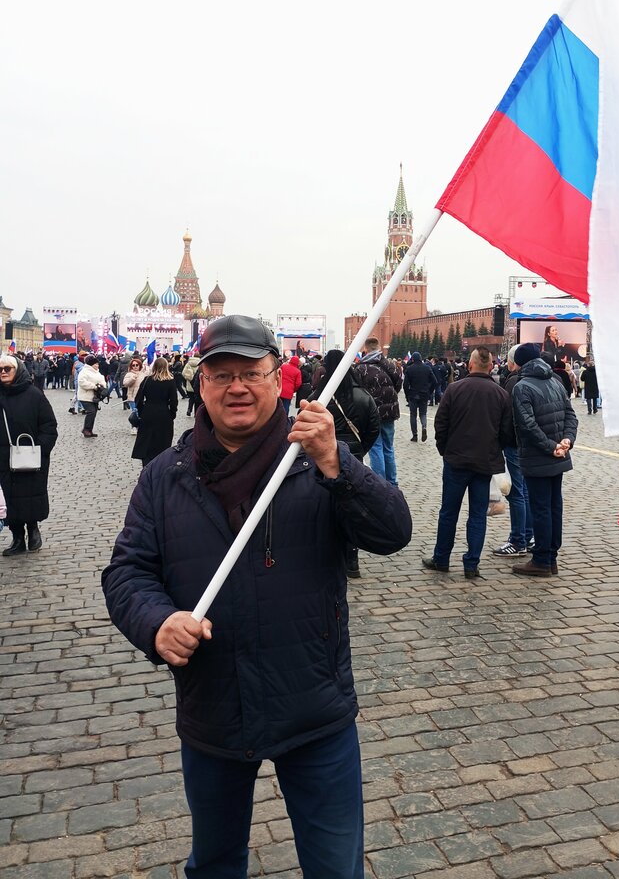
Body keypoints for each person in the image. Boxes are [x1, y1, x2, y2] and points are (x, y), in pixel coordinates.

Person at [101, 314, 411, 879]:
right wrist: (156, 622)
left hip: (314, 708)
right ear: (202, 385)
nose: (237, 387)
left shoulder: (314, 462)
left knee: (336, 867)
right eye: (221, 375)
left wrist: (338, 466)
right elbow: (127, 573)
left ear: (278, 380)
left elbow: (392, 533)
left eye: (251, 372)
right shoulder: (165, 477)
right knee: (215, 864)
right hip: (215, 710)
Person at [423, 346, 514, 579]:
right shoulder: (501, 394)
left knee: (448, 512)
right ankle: (471, 563)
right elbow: (507, 433)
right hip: (484, 463)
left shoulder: (454, 390)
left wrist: (444, 450)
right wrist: (495, 450)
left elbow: (440, 425)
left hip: (456, 460)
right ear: (491, 366)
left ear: (471, 365)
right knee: (477, 514)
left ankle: (441, 558)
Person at [510, 342, 578, 578]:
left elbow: (527, 425)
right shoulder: (556, 381)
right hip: (557, 455)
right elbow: (571, 415)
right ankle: (551, 558)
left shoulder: (522, 387)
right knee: (553, 506)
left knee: (540, 509)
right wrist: (567, 440)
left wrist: (551, 448)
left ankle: (541, 559)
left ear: (519, 363)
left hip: (538, 457)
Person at [311, 349, 381, 579]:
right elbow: (373, 428)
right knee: (350, 507)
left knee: (322, 508)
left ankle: (325, 556)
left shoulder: (318, 397)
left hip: (322, 461)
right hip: (353, 458)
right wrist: (359, 451)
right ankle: (352, 561)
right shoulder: (363, 395)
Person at [0, 353, 58, 555]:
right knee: (8, 498)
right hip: (3, 459)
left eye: (8, 368)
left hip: (31, 458)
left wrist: (40, 449)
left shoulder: (34, 395)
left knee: (30, 496)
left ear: (18, 370)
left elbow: (49, 425)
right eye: (0, 369)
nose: (4, 372)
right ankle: (17, 538)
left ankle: (33, 529)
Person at [493, 345, 535, 558]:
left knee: (517, 493)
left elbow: (507, 416)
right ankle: (529, 535)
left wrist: (500, 441)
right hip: (536, 447)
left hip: (515, 445)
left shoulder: (514, 381)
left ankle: (518, 540)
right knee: (528, 491)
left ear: (513, 362)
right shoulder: (547, 379)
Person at [354, 336, 402, 486]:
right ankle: (392, 482)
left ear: (365, 349)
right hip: (390, 411)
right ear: (379, 347)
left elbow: (358, 391)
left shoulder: (361, 368)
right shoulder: (391, 365)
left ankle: (380, 483)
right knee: (388, 447)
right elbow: (398, 384)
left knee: (376, 447)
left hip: (372, 412)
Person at [131, 357, 178, 467]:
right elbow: (174, 401)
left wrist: (142, 411)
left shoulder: (147, 380)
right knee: (163, 441)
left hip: (148, 412)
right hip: (164, 413)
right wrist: (172, 414)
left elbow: (138, 398)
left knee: (147, 441)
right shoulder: (170, 381)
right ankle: (160, 466)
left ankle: (147, 465)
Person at [402, 352, 434, 442]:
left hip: (413, 395)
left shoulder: (409, 369)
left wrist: (407, 395)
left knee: (413, 415)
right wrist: (429, 392)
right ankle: (424, 426)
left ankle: (415, 435)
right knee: (423, 414)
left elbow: (405, 385)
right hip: (424, 394)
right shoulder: (427, 368)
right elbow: (434, 381)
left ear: (412, 359)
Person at [77, 354, 106, 438]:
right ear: (91, 364)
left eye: (97, 364)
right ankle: (86, 429)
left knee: (94, 413)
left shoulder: (97, 372)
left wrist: (102, 386)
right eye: (96, 364)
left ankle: (89, 430)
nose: (97, 365)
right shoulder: (84, 371)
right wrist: (94, 386)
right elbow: (82, 382)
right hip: (85, 396)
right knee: (91, 412)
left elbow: (102, 380)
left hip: (95, 397)